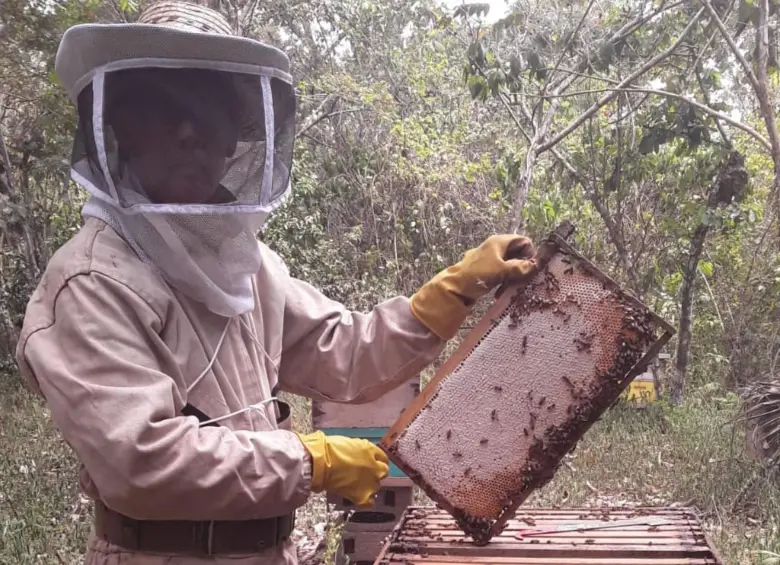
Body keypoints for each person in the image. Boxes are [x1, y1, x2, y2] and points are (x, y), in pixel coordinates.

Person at [14, 2, 537, 564]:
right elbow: (141, 461)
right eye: (162, 106)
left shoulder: (250, 266)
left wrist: (448, 295)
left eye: (209, 109)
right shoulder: (92, 279)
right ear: (119, 125)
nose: (189, 130)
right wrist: (312, 462)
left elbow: (344, 354)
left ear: (236, 135)